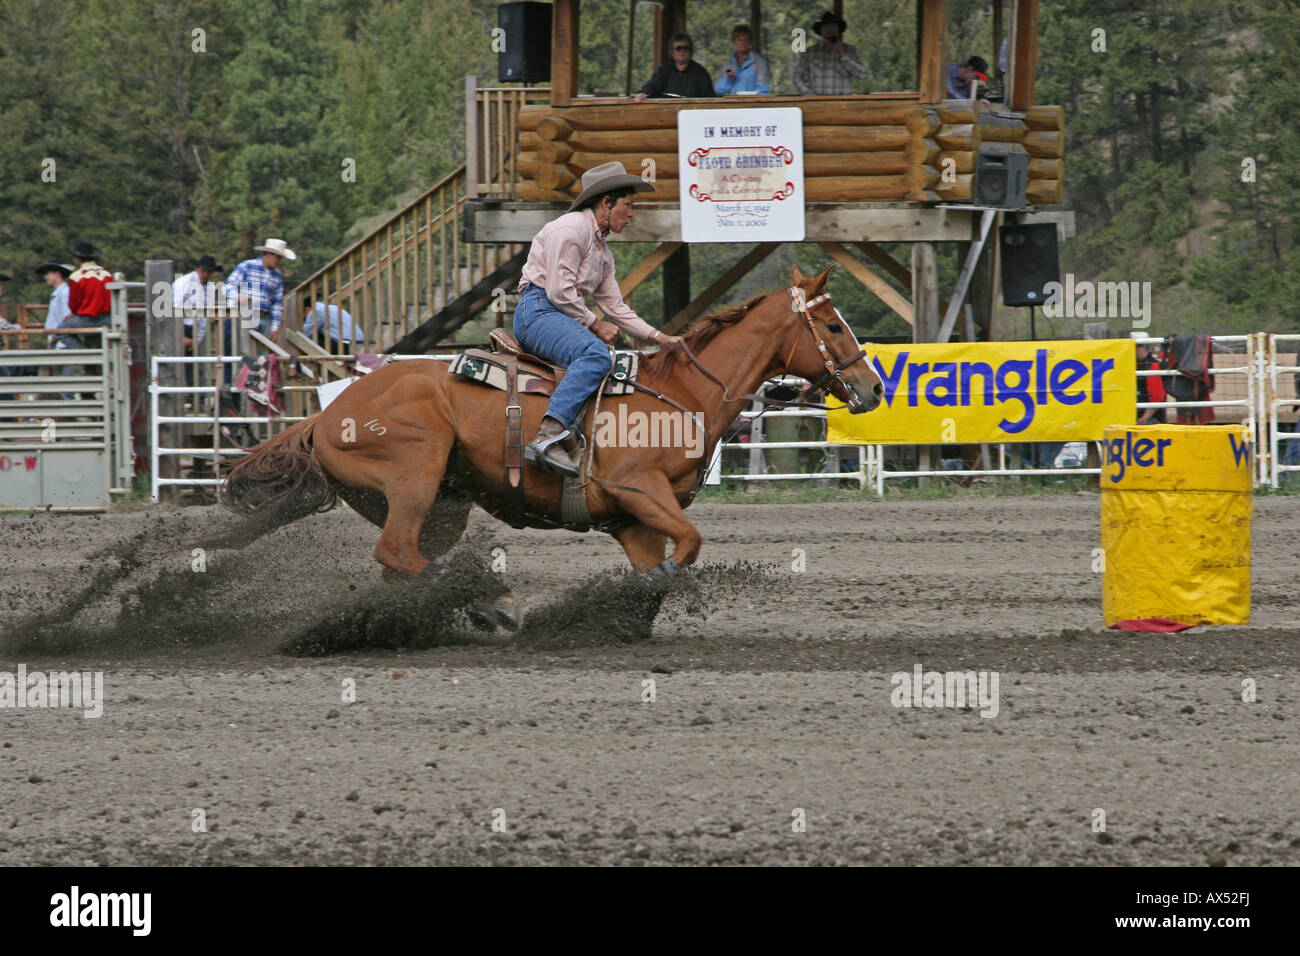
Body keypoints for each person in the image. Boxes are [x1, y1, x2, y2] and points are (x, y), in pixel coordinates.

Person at [513, 162, 685, 477]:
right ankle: (549, 434)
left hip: (553, 312)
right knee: (595, 354)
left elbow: (616, 307)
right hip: (537, 311)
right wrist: (594, 323)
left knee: (610, 358)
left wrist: (661, 338)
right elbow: (558, 290)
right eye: (628, 205)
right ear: (606, 202)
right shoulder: (571, 229)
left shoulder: (604, 254)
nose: (632, 214)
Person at [223, 238, 293, 384]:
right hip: (243, 315)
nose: (280, 261)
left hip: (264, 318)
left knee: (262, 359)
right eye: (278, 257)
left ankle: (256, 391)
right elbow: (227, 286)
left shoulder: (277, 276)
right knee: (235, 353)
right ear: (268, 254)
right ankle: (231, 389)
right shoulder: (247, 266)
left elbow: (276, 303)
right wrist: (237, 296)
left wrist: (274, 327)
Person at [792, 10, 866, 95]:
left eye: (833, 26)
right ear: (821, 30)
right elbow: (796, 76)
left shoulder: (850, 50)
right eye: (826, 27)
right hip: (817, 102)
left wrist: (843, 56)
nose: (830, 29)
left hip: (842, 102)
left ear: (838, 30)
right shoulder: (810, 52)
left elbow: (862, 74)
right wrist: (809, 95)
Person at [634, 33, 716, 102]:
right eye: (678, 48)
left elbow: (709, 97)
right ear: (672, 52)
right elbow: (652, 86)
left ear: (690, 51)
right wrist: (643, 93)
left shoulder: (700, 72)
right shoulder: (664, 70)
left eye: (685, 48)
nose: (682, 51)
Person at [63, 239, 114, 347]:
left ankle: (83, 352)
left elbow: (74, 304)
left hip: (87, 319)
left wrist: (74, 312)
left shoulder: (77, 276)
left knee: (62, 331)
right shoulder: (107, 274)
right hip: (107, 319)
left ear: (77, 258)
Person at [36, 262, 75, 399]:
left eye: (48, 274)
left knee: (64, 386)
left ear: (57, 274)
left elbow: (66, 319)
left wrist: (55, 337)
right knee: (60, 385)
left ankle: (72, 414)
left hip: (62, 344)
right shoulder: (60, 293)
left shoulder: (64, 293)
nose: (46, 277)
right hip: (59, 343)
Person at [173, 255, 223, 352]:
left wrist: (196, 341)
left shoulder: (210, 288)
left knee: (191, 363)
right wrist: (178, 335)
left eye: (209, 272)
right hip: (180, 327)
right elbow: (174, 308)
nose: (205, 274)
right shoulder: (183, 282)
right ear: (197, 268)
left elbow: (205, 319)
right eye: (203, 270)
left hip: (195, 330)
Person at [715, 24, 771, 95]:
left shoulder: (759, 62)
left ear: (750, 42)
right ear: (734, 42)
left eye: (745, 40)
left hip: (753, 105)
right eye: (739, 40)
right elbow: (719, 90)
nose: (742, 43)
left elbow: (763, 91)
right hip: (732, 104)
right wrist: (728, 78)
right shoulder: (729, 64)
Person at [1135, 339, 1167, 424]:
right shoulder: (1136, 364)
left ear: (1143, 348)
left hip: (1151, 417)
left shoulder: (1153, 366)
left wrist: (1144, 418)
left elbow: (1157, 397)